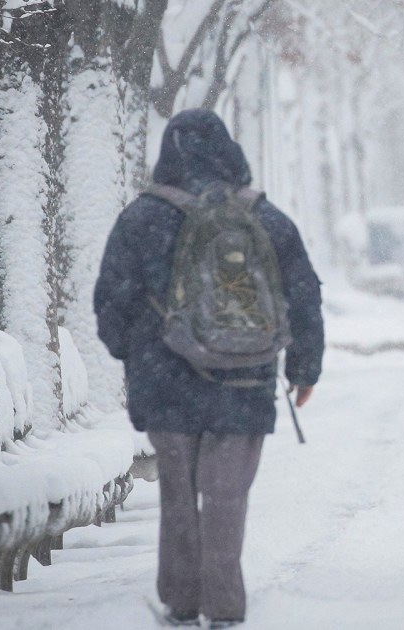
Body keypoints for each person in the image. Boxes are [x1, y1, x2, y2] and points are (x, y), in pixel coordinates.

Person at [93, 109, 324, 628]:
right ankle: (223, 606)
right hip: (245, 380)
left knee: (178, 493)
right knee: (227, 496)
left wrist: (133, 355)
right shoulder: (264, 217)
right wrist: (304, 369)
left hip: (165, 382)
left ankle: (180, 602)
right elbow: (304, 294)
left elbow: (111, 299)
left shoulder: (142, 219)